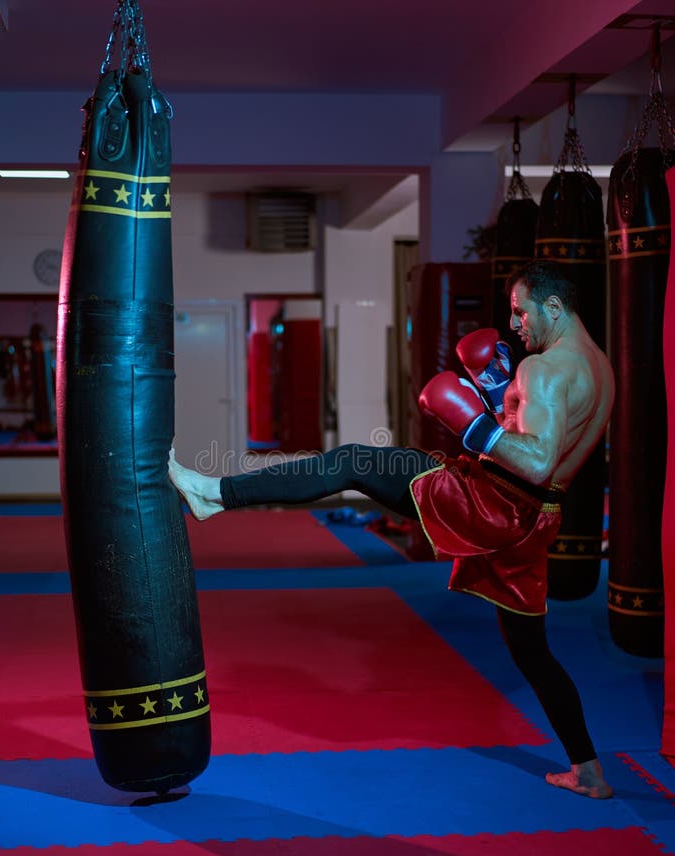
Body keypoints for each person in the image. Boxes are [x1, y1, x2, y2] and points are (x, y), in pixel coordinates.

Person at [169, 259, 615, 800]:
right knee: (531, 650)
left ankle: (214, 494)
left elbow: (538, 460)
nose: (515, 324)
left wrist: (473, 425)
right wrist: (501, 399)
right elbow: (553, 452)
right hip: (536, 519)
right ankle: (588, 769)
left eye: (521, 312)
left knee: (353, 461)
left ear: (554, 306)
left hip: (490, 502)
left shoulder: (543, 371)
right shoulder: (600, 368)